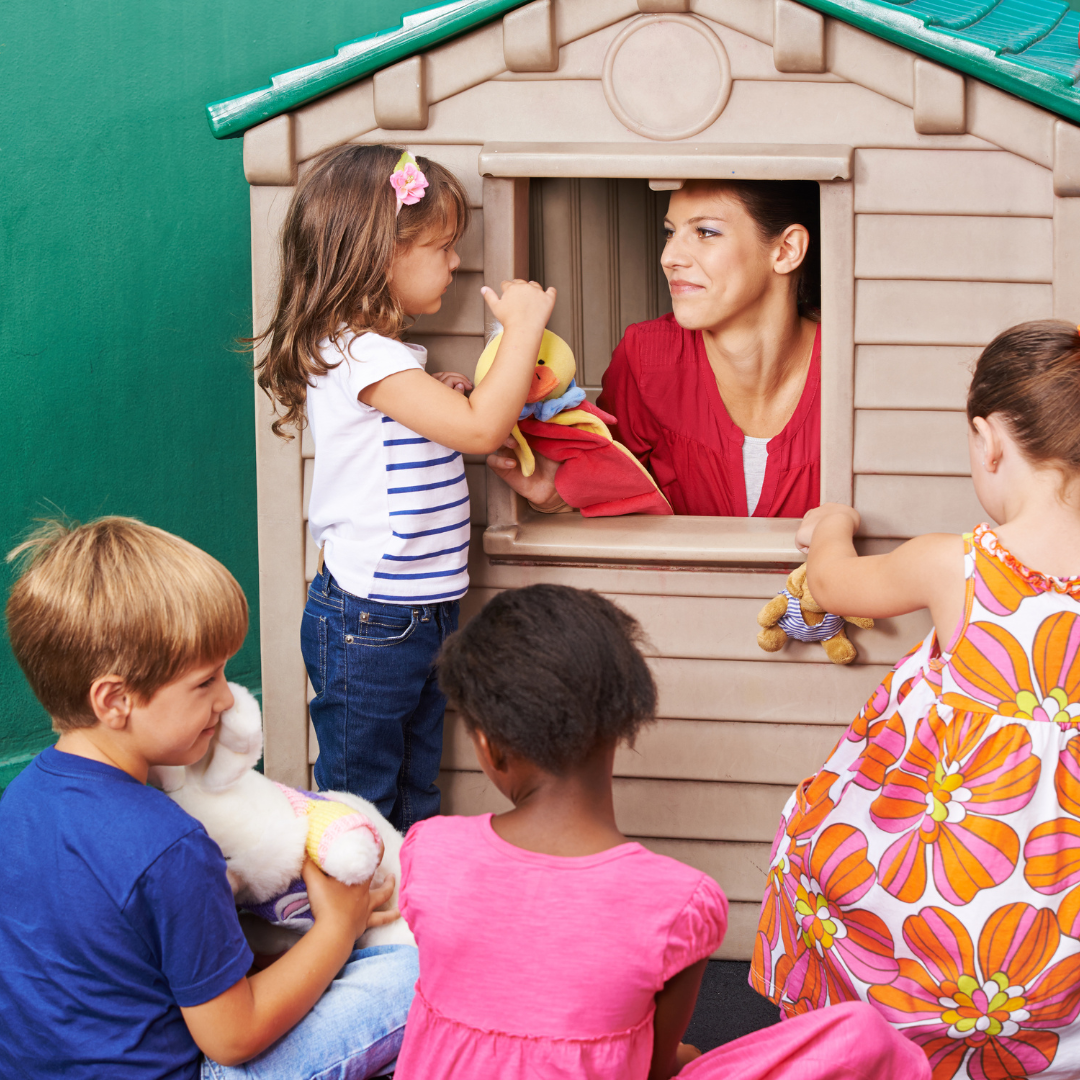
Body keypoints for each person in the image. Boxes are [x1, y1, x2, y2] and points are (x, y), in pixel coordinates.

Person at [391, 584, 930, 1080]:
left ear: (487, 745)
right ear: (625, 722)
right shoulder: (680, 902)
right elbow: (653, 1068)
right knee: (859, 1035)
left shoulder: (429, 851)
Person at [752, 320, 1080, 1079]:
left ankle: (870, 1043)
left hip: (952, 883)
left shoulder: (957, 564)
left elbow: (831, 585)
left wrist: (833, 524)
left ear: (988, 441)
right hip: (1059, 897)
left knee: (810, 845)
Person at [0, 517, 417, 1080]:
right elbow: (232, 1038)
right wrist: (338, 927)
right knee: (414, 970)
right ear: (114, 700)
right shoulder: (169, 844)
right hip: (195, 1064)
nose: (226, 699)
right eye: (205, 681)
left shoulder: (20, 800)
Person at [254, 143, 555, 830]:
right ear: (382, 254)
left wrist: (441, 397)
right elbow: (480, 431)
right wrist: (524, 332)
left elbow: (432, 427)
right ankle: (351, 918)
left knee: (412, 788)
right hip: (374, 620)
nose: (455, 262)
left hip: (418, 612)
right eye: (444, 247)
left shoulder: (380, 359)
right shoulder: (365, 353)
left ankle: (400, 911)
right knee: (362, 797)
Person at [488, 179, 820, 518]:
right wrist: (559, 497)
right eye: (670, 232)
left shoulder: (850, 368)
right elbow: (618, 496)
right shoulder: (646, 357)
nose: (669, 257)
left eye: (705, 232)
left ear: (785, 250)